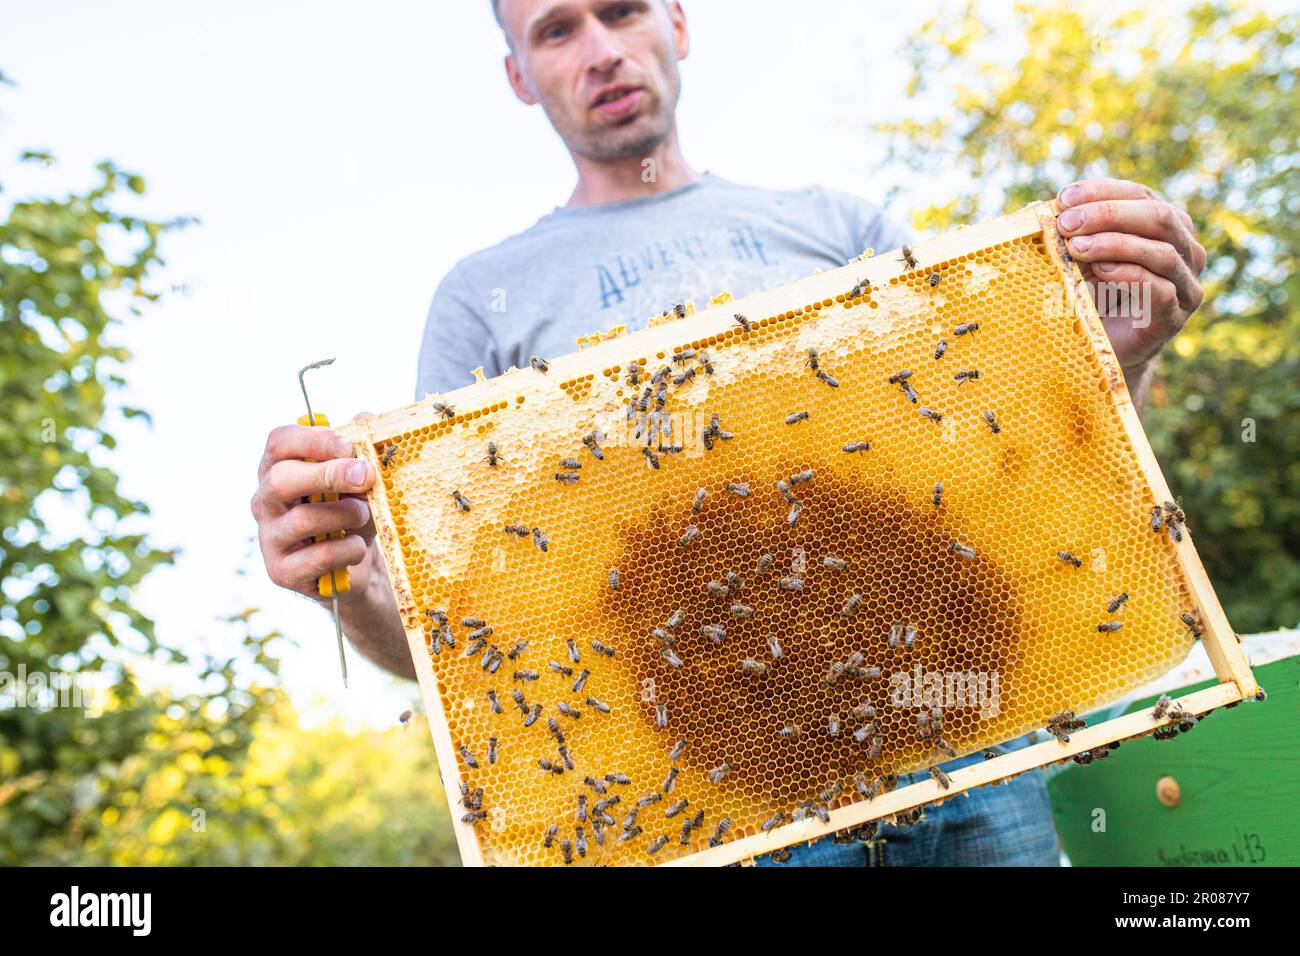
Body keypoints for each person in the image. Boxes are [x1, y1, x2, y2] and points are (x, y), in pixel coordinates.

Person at [251, 0, 1207, 865]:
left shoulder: (837, 224)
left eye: (621, 12)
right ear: (517, 74)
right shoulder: (480, 299)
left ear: (676, 20)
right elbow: (457, 644)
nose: (600, 50)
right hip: (703, 814)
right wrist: (356, 584)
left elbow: (996, 463)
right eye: (556, 29)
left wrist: (1115, 349)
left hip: (965, 732)